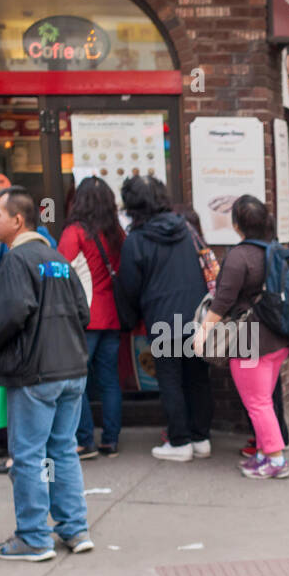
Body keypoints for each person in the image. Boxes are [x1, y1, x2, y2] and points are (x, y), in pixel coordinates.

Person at [0, 185, 92, 560]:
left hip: (35, 374)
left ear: (17, 220)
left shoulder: (16, 261)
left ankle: (34, 537)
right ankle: (74, 528)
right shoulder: (57, 259)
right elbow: (83, 313)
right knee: (62, 452)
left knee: (29, 456)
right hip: (71, 370)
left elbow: (11, 314)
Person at [115, 177, 213, 461]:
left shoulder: (136, 240)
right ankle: (200, 438)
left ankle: (179, 441)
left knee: (170, 380)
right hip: (196, 316)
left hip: (162, 320)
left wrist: (129, 318)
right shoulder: (185, 227)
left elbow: (129, 286)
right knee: (197, 378)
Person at [196, 195, 289, 480]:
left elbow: (223, 300)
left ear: (237, 225)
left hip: (251, 340)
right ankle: (264, 454)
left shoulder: (239, 256)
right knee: (263, 399)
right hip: (278, 337)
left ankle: (275, 460)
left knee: (258, 402)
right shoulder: (278, 251)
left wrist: (202, 333)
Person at [58, 176, 124, 459]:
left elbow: (61, 270)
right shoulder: (117, 233)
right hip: (112, 315)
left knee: (77, 381)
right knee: (109, 379)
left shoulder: (74, 232)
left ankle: (85, 441)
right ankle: (110, 440)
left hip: (84, 316)